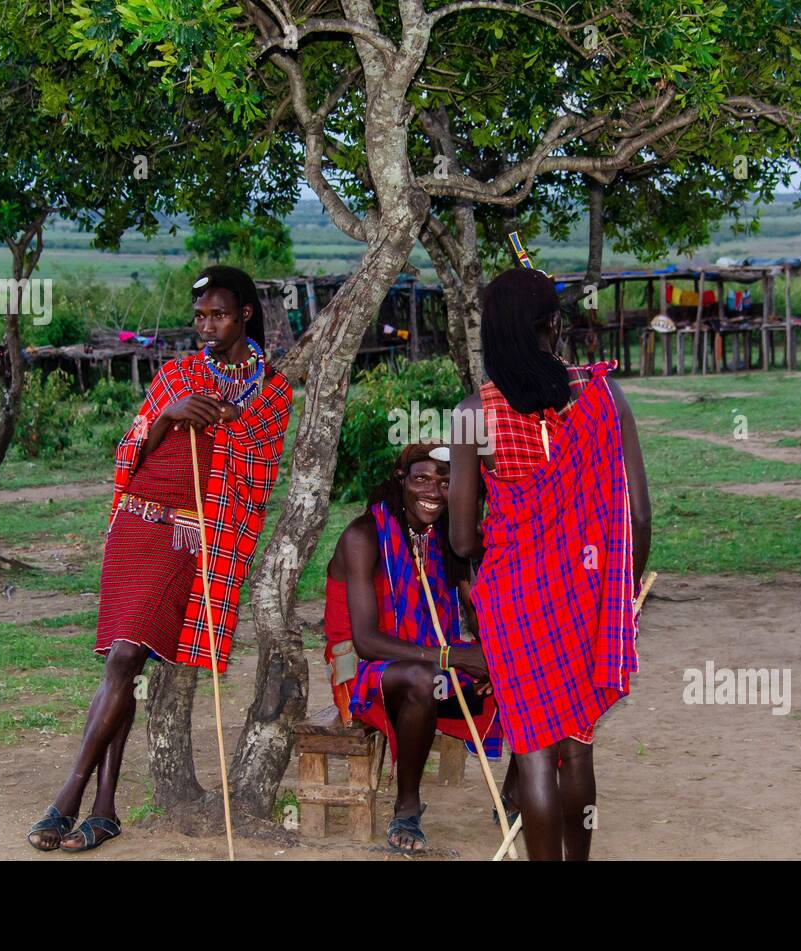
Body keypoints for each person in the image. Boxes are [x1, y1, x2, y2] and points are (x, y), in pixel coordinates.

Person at [27, 265, 293, 853]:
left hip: (189, 539)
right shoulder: (176, 375)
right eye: (199, 317)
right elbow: (132, 449)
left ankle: (67, 799)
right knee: (124, 664)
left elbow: (260, 466)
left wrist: (228, 422)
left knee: (125, 660)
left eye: (218, 315)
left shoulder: (271, 390)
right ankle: (101, 808)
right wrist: (171, 414)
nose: (206, 326)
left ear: (245, 315)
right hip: (135, 525)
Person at [448, 267, 652, 861]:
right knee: (577, 748)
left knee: (535, 752)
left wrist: (505, 548)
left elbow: (460, 539)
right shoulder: (604, 398)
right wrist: (620, 595)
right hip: (588, 596)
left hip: (514, 603)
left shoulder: (473, 413)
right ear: (555, 326)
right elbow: (638, 516)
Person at [323, 443, 503, 852]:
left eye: (446, 482)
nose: (433, 492)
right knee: (425, 678)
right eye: (422, 479)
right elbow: (366, 642)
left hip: (429, 659)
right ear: (400, 479)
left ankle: (512, 796)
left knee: (519, 667)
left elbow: (476, 610)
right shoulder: (363, 536)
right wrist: (453, 657)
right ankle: (407, 808)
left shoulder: (446, 536)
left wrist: (490, 659)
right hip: (361, 670)